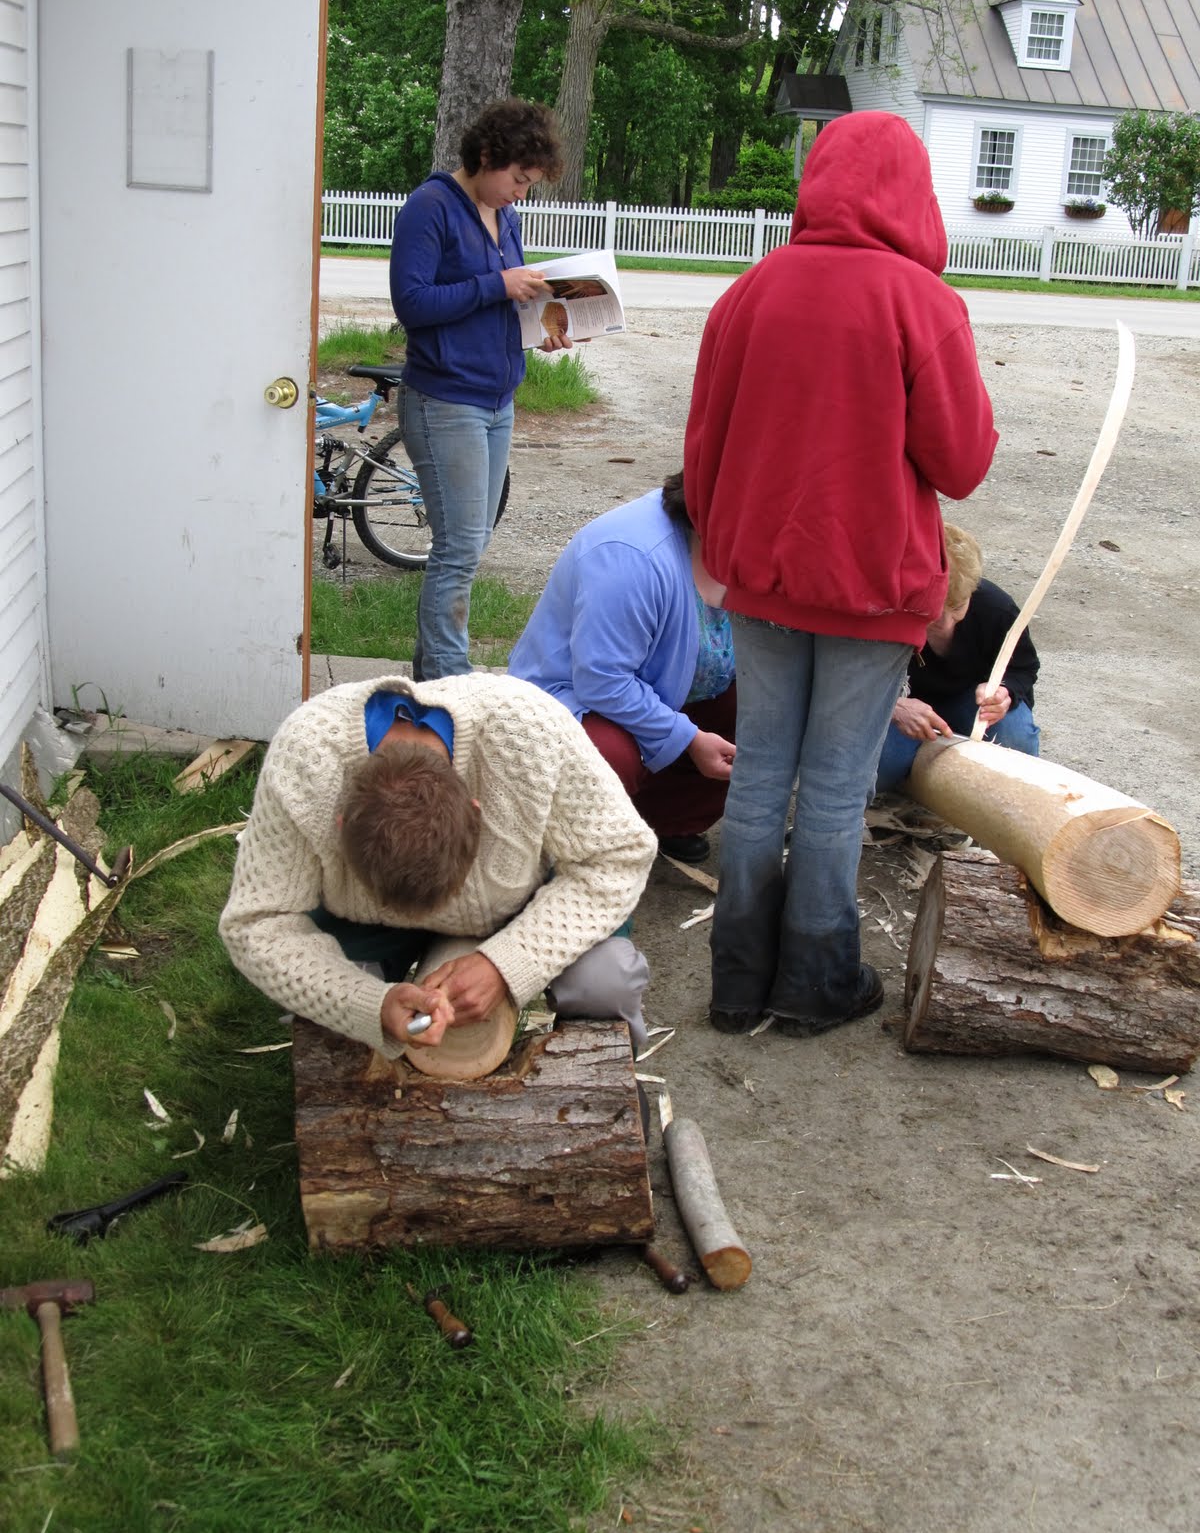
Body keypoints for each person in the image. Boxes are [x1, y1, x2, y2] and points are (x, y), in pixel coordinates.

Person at [683, 110, 998, 1039]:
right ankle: (816, 978)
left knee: (762, 773)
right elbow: (962, 462)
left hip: (763, 577)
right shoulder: (923, 301)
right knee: (831, 785)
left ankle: (739, 979)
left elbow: (705, 446)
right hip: (870, 581)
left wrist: (723, 543)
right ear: (913, 191)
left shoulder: (751, 291)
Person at [219, 673, 658, 1059]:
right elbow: (256, 922)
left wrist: (508, 964)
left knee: (605, 983)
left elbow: (620, 855)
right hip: (372, 924)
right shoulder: (306, 756)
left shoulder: (530, 732)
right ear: (338, 823)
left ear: (477, 809)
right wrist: (368, 1003)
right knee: (325, 1013)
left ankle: (602, 1087)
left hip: (518, 901)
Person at [390, 99, 566, 682]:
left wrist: (539, 326)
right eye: (518, 178)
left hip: (496, 401)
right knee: (460, 547)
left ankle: (431, 681)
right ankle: (449, 684)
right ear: (487, 156)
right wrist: (496, 284)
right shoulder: (431, 206)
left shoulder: (503, 216)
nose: (521, 192)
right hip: (445, 400)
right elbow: (412, 305)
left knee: (469, 544)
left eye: (530, 184)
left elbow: (498, 302)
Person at [508, 471, 736, 864]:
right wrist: (688, 738)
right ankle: (576, 853)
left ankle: (663, 822)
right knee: (607, 753)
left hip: (669, 686)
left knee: (756, 707)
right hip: (574, 697)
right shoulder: (631, 555)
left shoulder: (745, 540)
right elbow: (602, 681)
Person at [875, 523, 1040, 791]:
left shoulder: (995, 608)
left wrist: (1004, 691)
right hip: (900, 708)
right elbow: (847, 683)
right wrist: (894, 706)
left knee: (1016, 739)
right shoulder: (884, 609)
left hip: (968, 703)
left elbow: (1023, 668)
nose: (947, 624)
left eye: (958, 607)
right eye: (934, 612)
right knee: (879, 767)